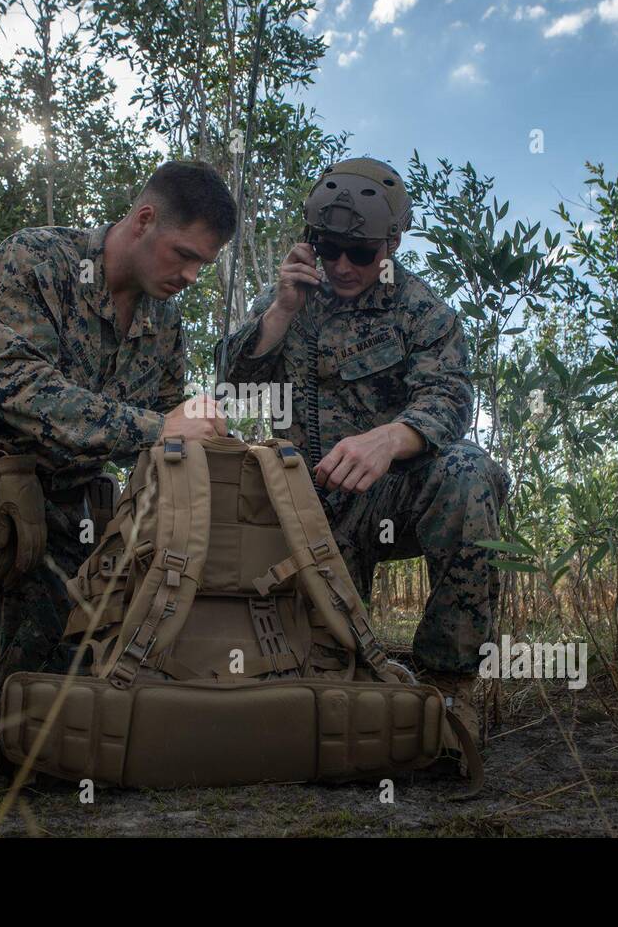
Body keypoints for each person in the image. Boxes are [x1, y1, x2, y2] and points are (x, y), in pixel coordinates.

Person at [0, 161, 234, 829]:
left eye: (204, 265)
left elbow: (171, 430)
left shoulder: (165, 324)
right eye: (185, 256)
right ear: (144, 220)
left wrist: (203, 438)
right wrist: (151, 426)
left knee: (46, 711)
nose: (191, 277)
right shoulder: (35, 257)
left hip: (70, 507)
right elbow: (10, 381)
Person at [216, 156, 508, 751]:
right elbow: (231, 381)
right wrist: (281, 311)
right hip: (302, 510)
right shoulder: (292, 299)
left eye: (362, 252)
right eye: (329, 249)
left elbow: (449, 399)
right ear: (310, 242)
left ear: (392, 243)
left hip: (390, 498)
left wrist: (390, 439)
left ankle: (448, 688)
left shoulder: (421, 308)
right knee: (321, 697)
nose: (344, 266)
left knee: (471, 471)